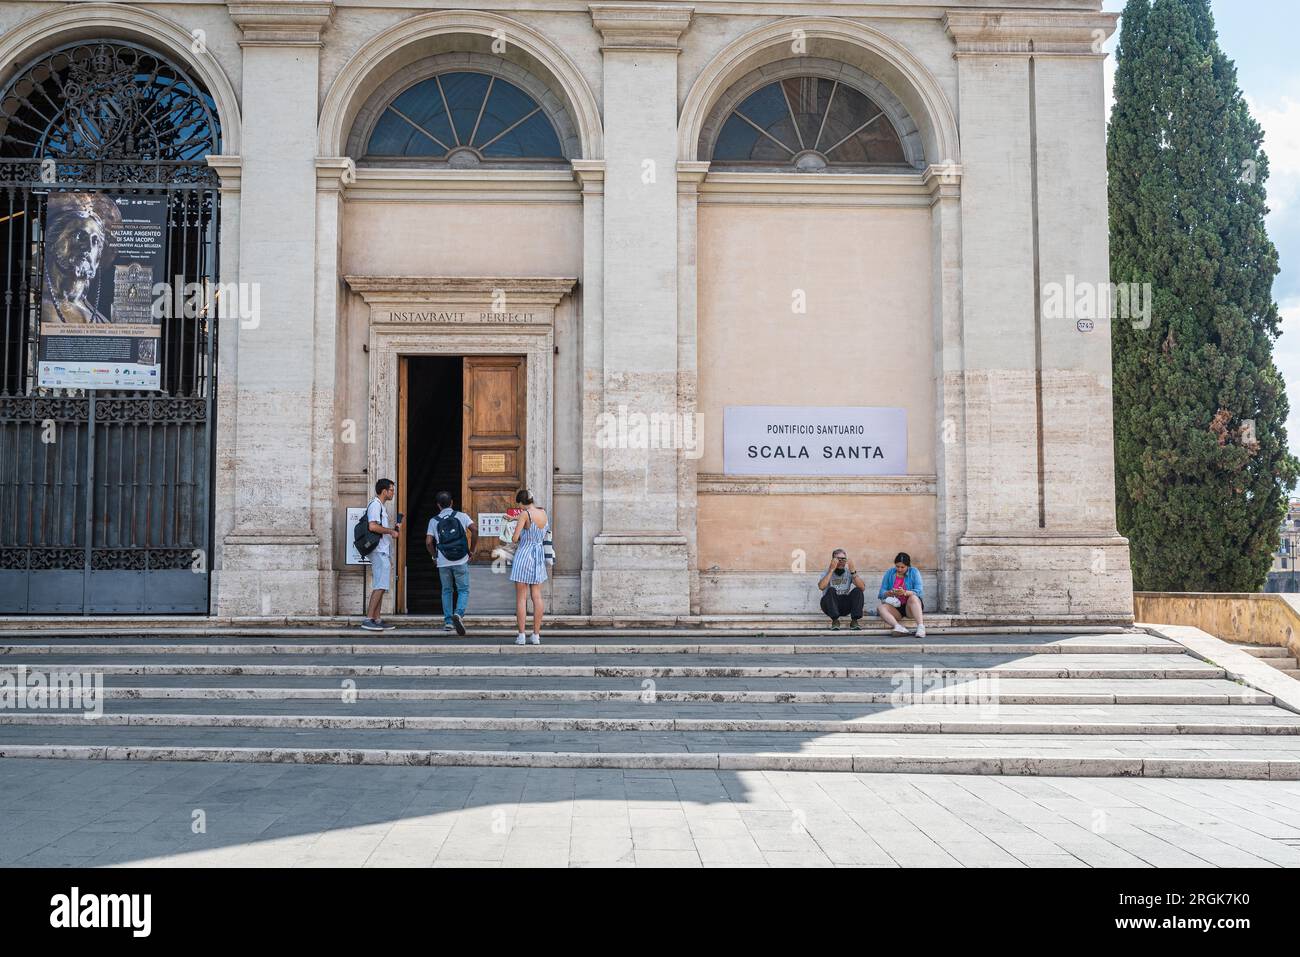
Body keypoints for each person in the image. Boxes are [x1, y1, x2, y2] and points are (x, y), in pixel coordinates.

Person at [41, 192, 123, 325]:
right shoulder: (37, 306)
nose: (88, 248)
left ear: (98, 259)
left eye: (95, 241)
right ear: (53, 242)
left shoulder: (101, 322)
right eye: (79, 236)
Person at [426, 491, 476, 635]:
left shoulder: (433, 521)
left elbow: (429, 542)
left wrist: (435, 556)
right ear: (452, 503)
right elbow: (475, 530)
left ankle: (448, 621)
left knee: (447, 590)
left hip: (443, 560)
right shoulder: (462, 516)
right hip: (461, 558)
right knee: (463, 589)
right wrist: (471, 550)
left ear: (438, 505)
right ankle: (458, 614)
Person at [509, 489, 548, 645]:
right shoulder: (543, 513)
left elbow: (515, 537)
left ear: (521, 502)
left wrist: (514, 524)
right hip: (538, 556)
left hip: (524, 555)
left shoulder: (525, 514)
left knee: (521, 598)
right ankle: (536, 635)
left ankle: (521, 635)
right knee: (537, 596)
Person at [362, 478, 401, 632]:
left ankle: (376, 619)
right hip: (378, 550)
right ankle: (368, 619)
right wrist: (391, 531)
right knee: (379, 586)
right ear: (384, 491)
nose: (393, 493)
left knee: (382, 585)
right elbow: (372, 526)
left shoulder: (380, 507)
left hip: (382, 550)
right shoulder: (375, 505)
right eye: (392, 490)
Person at [876, 552, 926, 638]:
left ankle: (921, 627)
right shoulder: (890, 573)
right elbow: (881, 593)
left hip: (911, 607)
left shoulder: (914, 572)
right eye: (897, 566)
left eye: (902, 567)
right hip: (896, 607)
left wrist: (905, 592)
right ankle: (898, 627)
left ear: (908, 566)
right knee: (880, 608)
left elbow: (919, 591)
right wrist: (889, 592)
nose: (899, 569)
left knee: (913, 597)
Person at [817, 549, 866, 630]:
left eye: (843, 559)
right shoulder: (827, 572)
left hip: (844, 605)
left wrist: (853, 572)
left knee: (858, 591)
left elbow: (862, 588)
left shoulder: (848, 572)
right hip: (829, 605)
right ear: (833, 560)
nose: (841, 561)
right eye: (838, 559)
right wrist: (831, 570)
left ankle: (854, 621)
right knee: (831, 590)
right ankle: (835, 621)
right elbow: (821, 587)